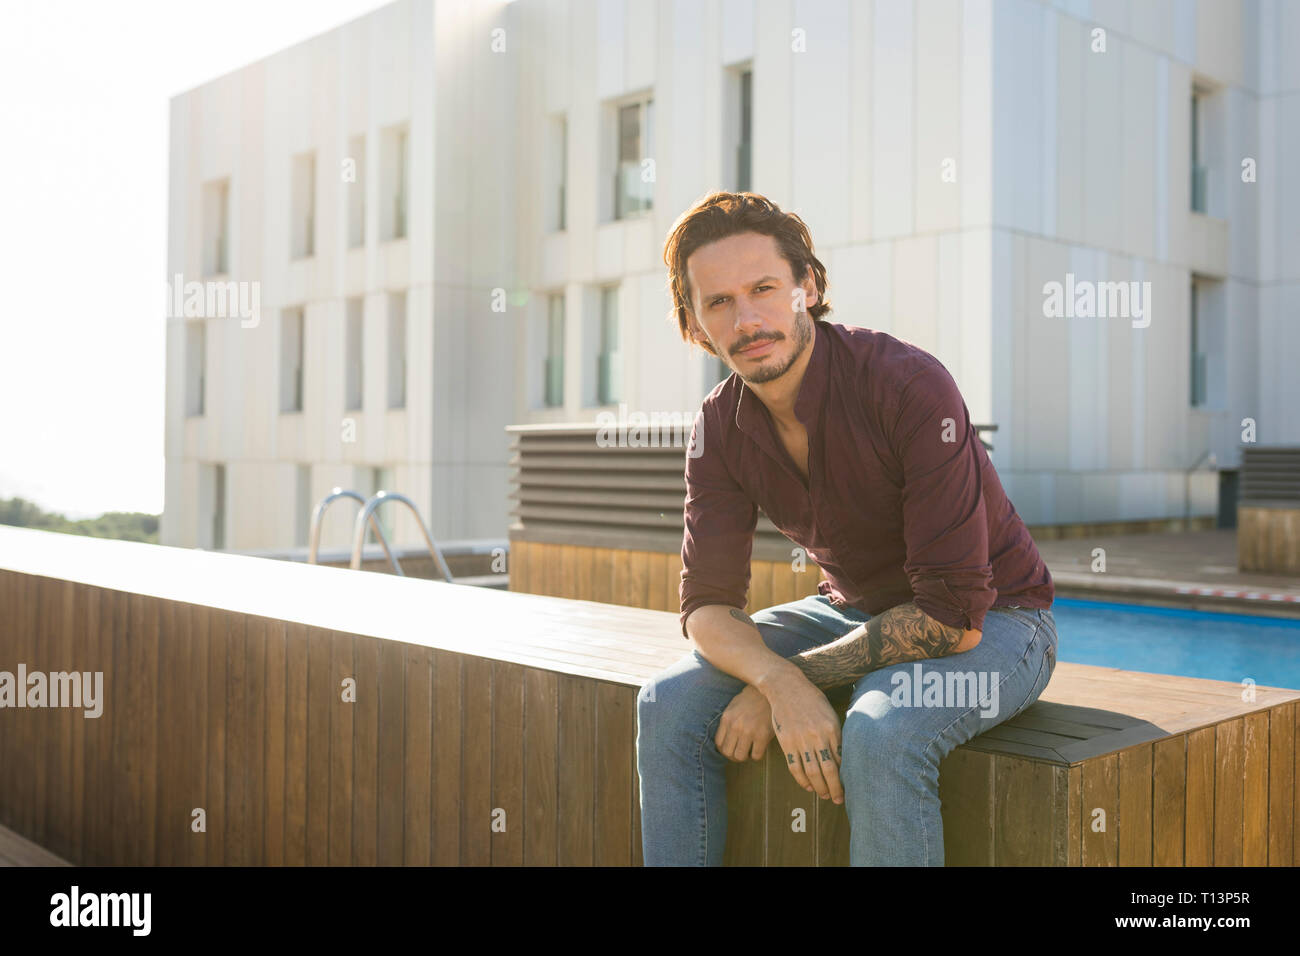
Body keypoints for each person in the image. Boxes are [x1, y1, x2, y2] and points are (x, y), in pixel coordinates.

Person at [637, 191, 1058, 866]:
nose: (746, 320)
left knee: (880, 731)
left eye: (765, 289)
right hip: (853, 609)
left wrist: (787, 676)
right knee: (666, 703)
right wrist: (778, 684)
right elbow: (706, 608)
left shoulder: (908, 385)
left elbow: (953, 620)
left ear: (807, 287)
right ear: (694, 324)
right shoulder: (718, 425)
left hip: (1001, 618)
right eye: (718, 302)